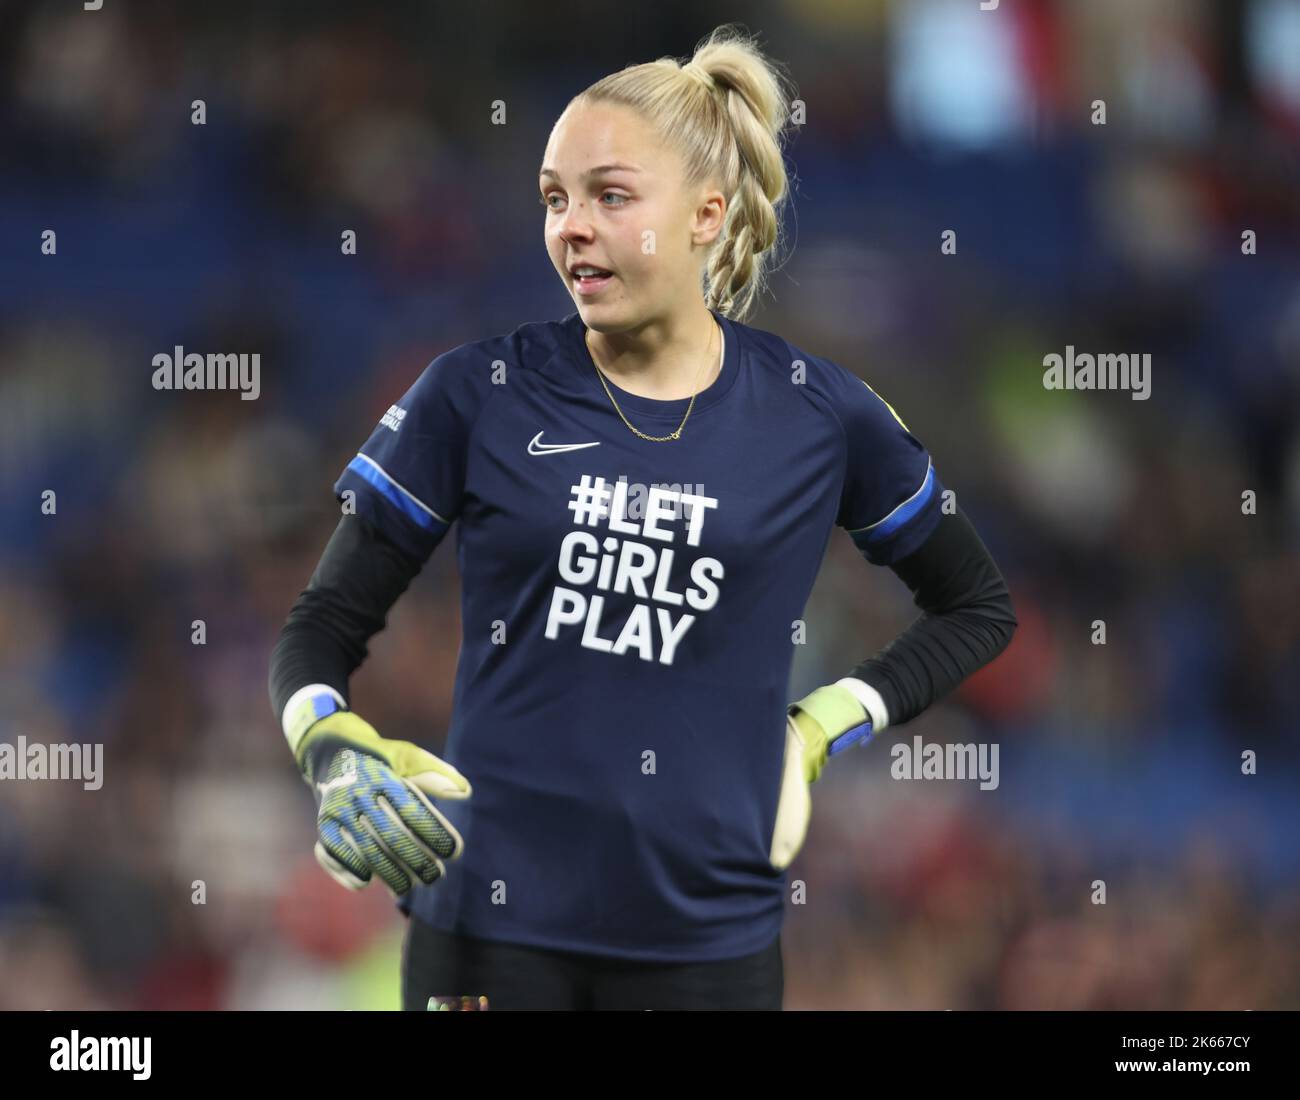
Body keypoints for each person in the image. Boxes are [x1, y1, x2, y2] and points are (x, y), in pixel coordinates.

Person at [268, 24, 1017, 1011]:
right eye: (553, 198)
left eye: (609, 196)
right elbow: (320, 625)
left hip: (706, 952)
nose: (570, 226)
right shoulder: (475, 392)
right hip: (489, 940)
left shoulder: (818, 414)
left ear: (707, 214)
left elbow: (975, 604)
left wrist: (820, 725)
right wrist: (333, 749)